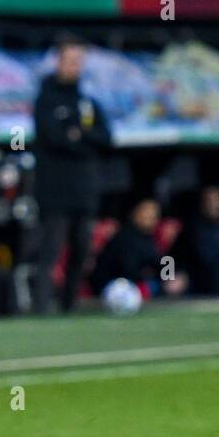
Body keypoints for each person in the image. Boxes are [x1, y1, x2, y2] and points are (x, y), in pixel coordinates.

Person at [32, 35, 111, 314]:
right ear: (58, 61)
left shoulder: (86, 99)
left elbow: (106, 137)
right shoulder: (46, 97)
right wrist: (78, 138)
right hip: (54, 189)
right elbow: (53, 137)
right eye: (70, 60)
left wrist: (78, 135)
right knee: (50, 250)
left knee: (81, 250)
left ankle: (70, 305)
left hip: (84, 189)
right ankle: (41, 307)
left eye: (79, 61)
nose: (74, 66)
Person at [90, 197, 187, 298]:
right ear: (134, 212)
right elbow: (130, 272)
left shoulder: (148, 237)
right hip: (115, 287)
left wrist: (172, 276)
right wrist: (158, 277)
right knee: (151, 286)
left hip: (138, 285)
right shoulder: (125, 237)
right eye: (146, 211)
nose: (152, 216)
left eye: (155, 212)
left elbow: (163, 261)